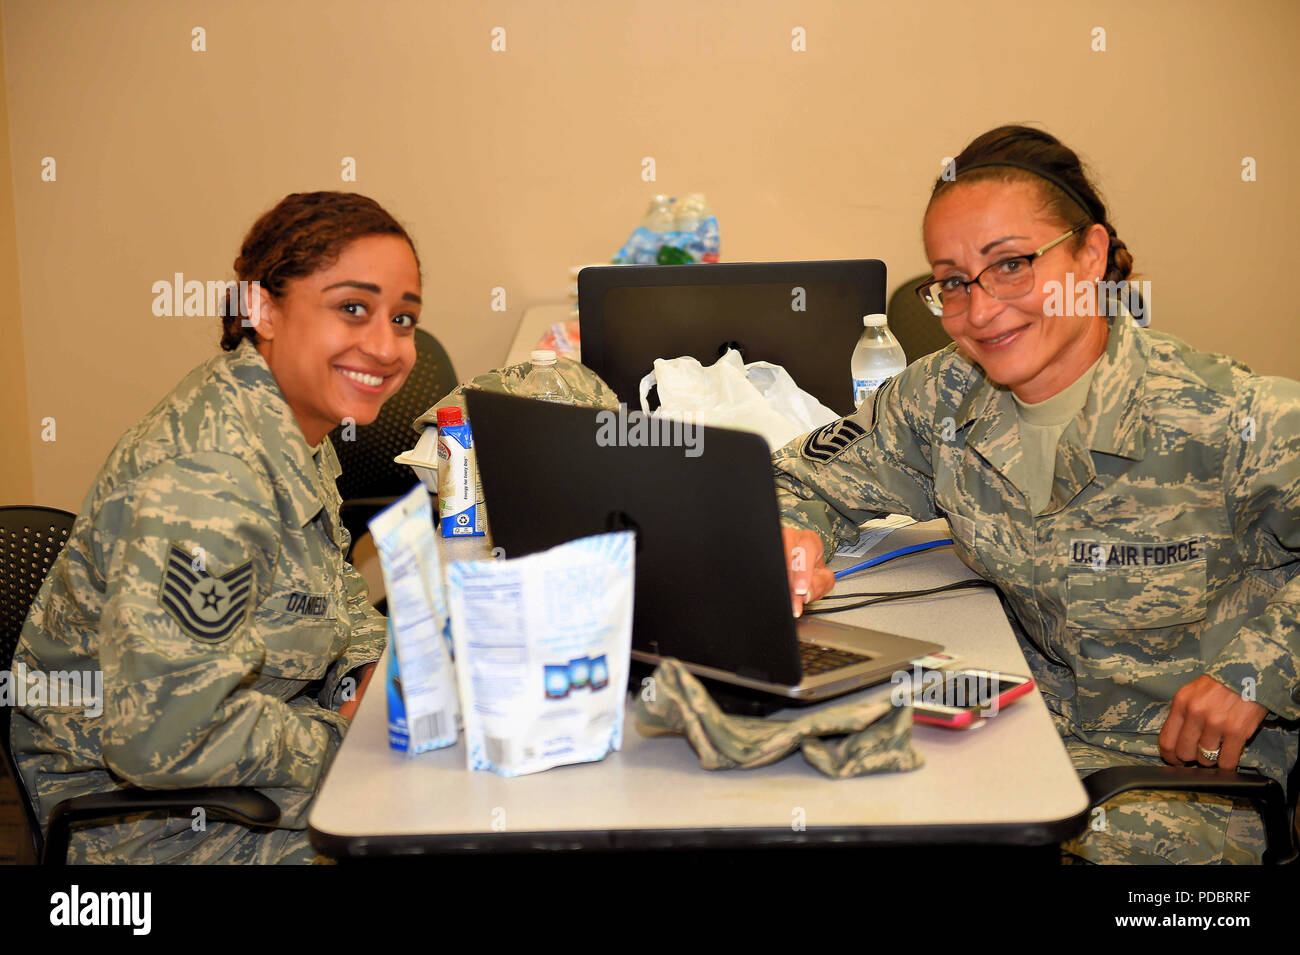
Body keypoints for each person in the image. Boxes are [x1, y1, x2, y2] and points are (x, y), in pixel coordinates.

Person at [775, 126, 1299, 864]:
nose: (980, 311)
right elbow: (796, 477)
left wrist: (1261, 668)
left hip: (1185, 786)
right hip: (1018, 735)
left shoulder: (1227, 417)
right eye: (952, 281)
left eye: (1012, 265)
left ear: (1090, 254)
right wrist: (797, 533)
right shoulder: (944, 397)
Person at [11, 191, 423, 863]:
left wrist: (369, 672)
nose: (385, 345)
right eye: (353, 308)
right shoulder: (212, 477)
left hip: (240, 761)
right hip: (148, 821)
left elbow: (332, 582)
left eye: (402, 317)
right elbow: (160, 734)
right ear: (263, 308)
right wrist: (344, 739)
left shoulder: (290, 416)